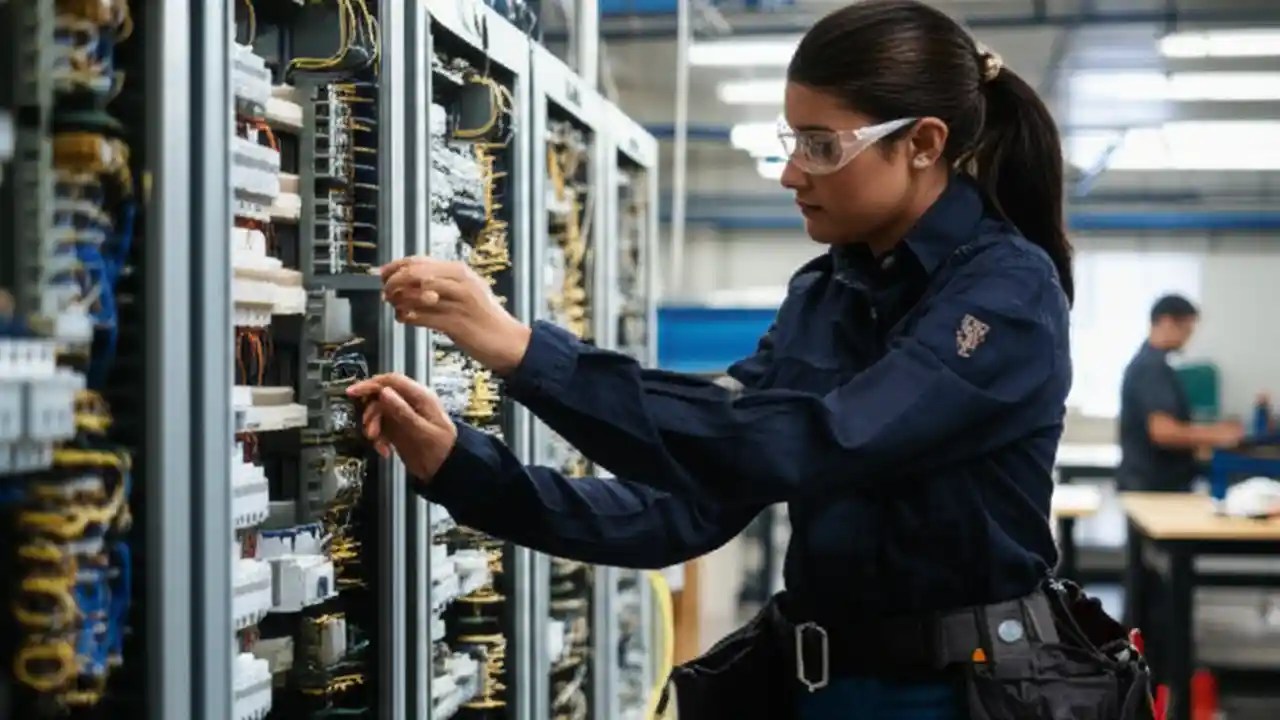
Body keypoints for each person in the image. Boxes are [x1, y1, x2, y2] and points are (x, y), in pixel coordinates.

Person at [349, 1, 1149, 718]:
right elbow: (685, 506)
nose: (792, 172)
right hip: (825, 688)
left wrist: (527, 354)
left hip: (959, 695)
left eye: (822, 145)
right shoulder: (827, 292)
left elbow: (808, 442)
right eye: (790, 141)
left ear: (923, 145)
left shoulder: (1005, 296)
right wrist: (462, 467)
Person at [1117, 294, 1244, 493]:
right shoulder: (1151, 367)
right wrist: (1217, 434)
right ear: (1167, 321)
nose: (1189, 336)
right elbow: (1163, 431)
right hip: (1153, 487)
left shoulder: (1155, 364)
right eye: (1187, 328)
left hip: (1154, 482)